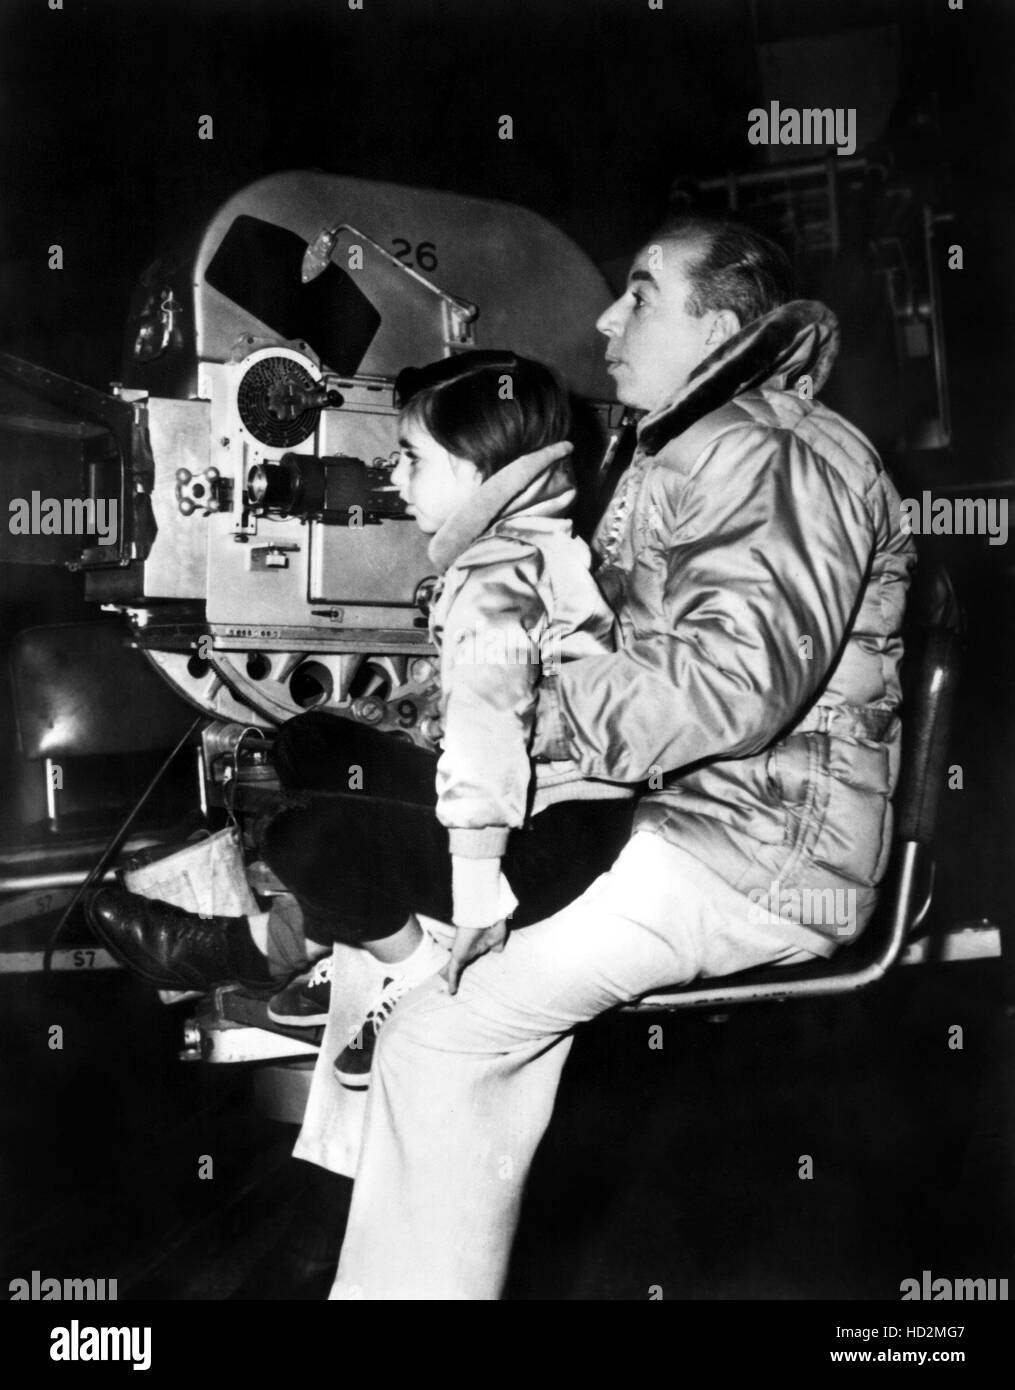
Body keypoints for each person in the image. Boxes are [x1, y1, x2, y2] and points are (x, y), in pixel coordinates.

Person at [318, 214, 915, 1298]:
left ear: (721, 324)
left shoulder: (773, 452)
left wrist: (528, 709)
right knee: (389, 956)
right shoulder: (695, 446)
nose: (604, 315)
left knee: (436, 1039)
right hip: (690, 822)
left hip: (754, 856)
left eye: (640, 292)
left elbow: (724, 688)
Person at [88, 351, 635, 1089]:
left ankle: (412, 979)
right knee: (310, 740)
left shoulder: (494, 578)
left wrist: (477, 898)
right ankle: (287, 942)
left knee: (304, 837)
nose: (391, 477)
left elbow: (486, 742)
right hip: (559, 814)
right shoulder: (533, 546)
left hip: (542, 850)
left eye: (411, 458)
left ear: (477, 469)